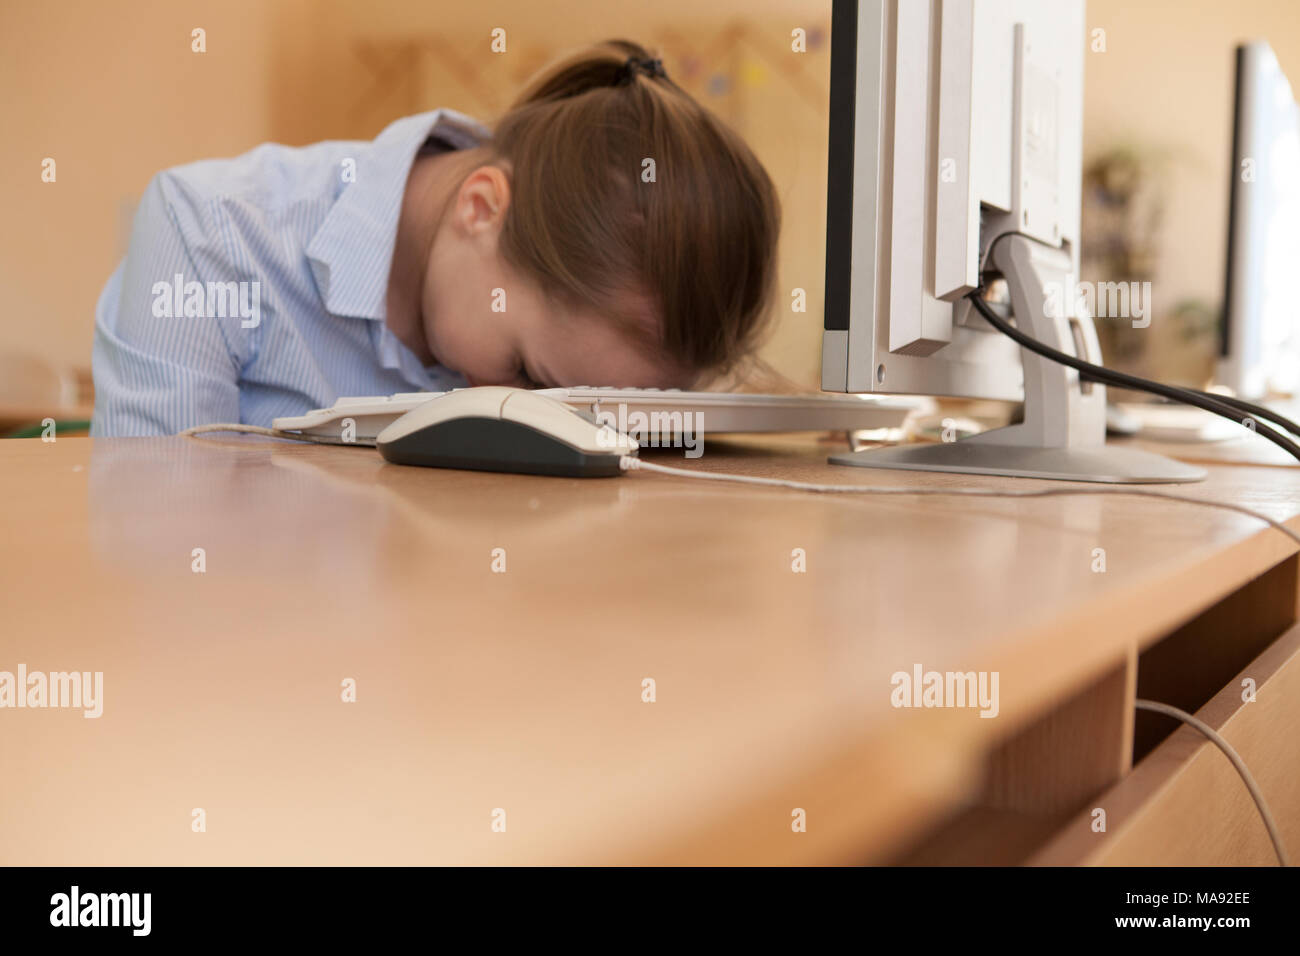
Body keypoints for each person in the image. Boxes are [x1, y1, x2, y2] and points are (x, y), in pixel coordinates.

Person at [90, 39, 781, 437]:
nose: (537, 421)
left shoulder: (522, 290)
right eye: (533, 380)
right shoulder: (211, 232)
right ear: (481, 209)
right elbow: (164, 549)